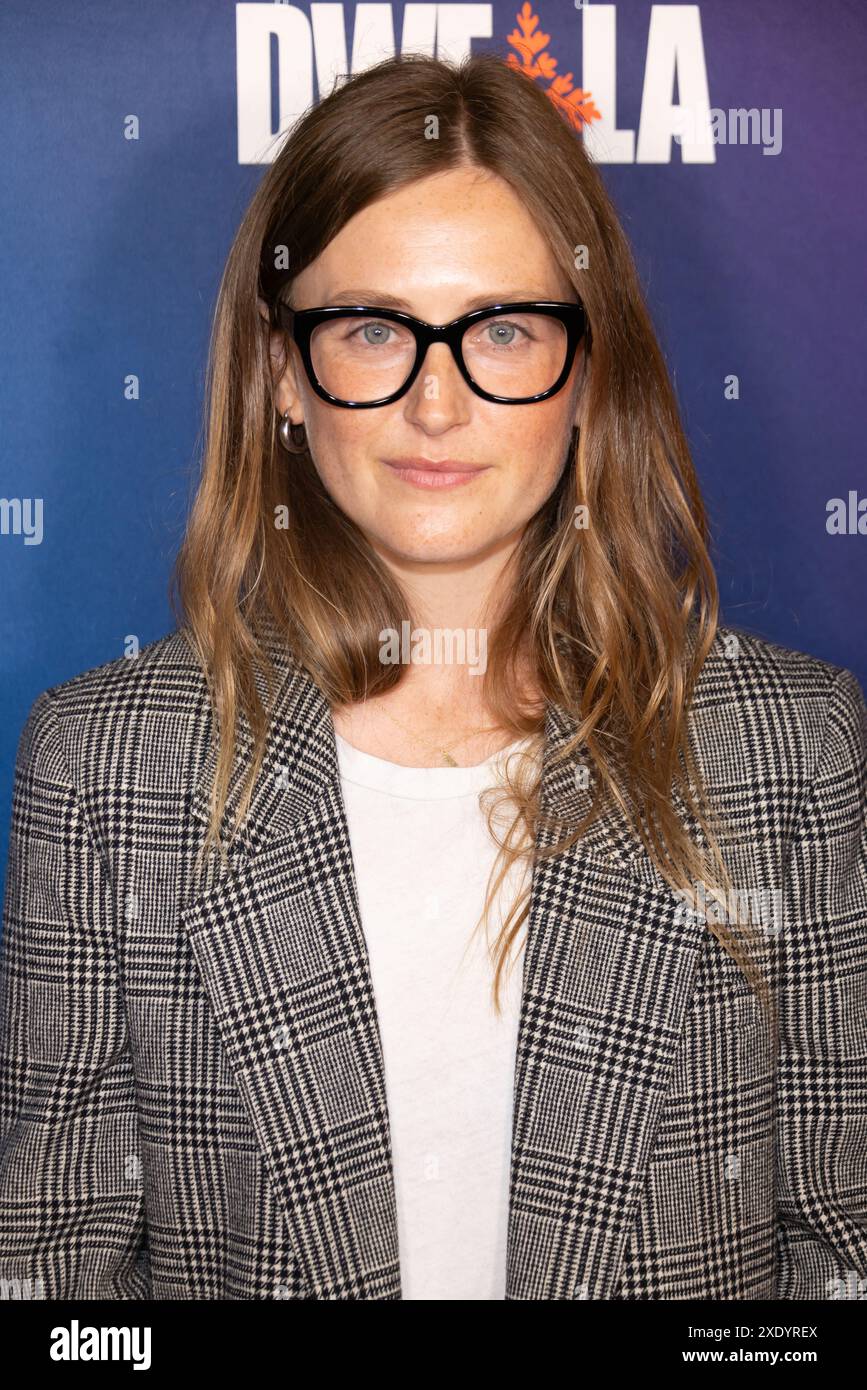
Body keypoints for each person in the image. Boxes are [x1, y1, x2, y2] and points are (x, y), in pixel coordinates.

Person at [1, 51, 865, 1302]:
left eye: (504, 331)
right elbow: (58, 1296)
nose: (438, 404)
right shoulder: (106, 771)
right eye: (373, 331)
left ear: (589, 370)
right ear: (285, 372)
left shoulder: (790, 750)